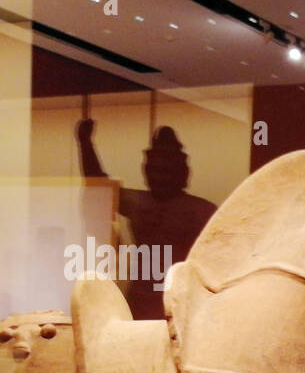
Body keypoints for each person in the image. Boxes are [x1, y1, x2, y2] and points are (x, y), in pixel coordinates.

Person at [76, 119, 217, 320]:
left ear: (182, 173)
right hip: (140, 298)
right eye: (154, 171)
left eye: (166, 171)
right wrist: (85, 144)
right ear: (145, 171)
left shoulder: (200, 211)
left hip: (181, 299)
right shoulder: (138, 202)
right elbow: (98, 185)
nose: (159, 178)